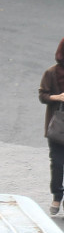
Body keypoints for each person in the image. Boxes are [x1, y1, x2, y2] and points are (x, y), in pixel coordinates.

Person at [39, 37, 64, 215]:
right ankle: (57, 196)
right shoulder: (51, 73)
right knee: (57, 163)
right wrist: (58, 97)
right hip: (57, 127)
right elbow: (42, 95)